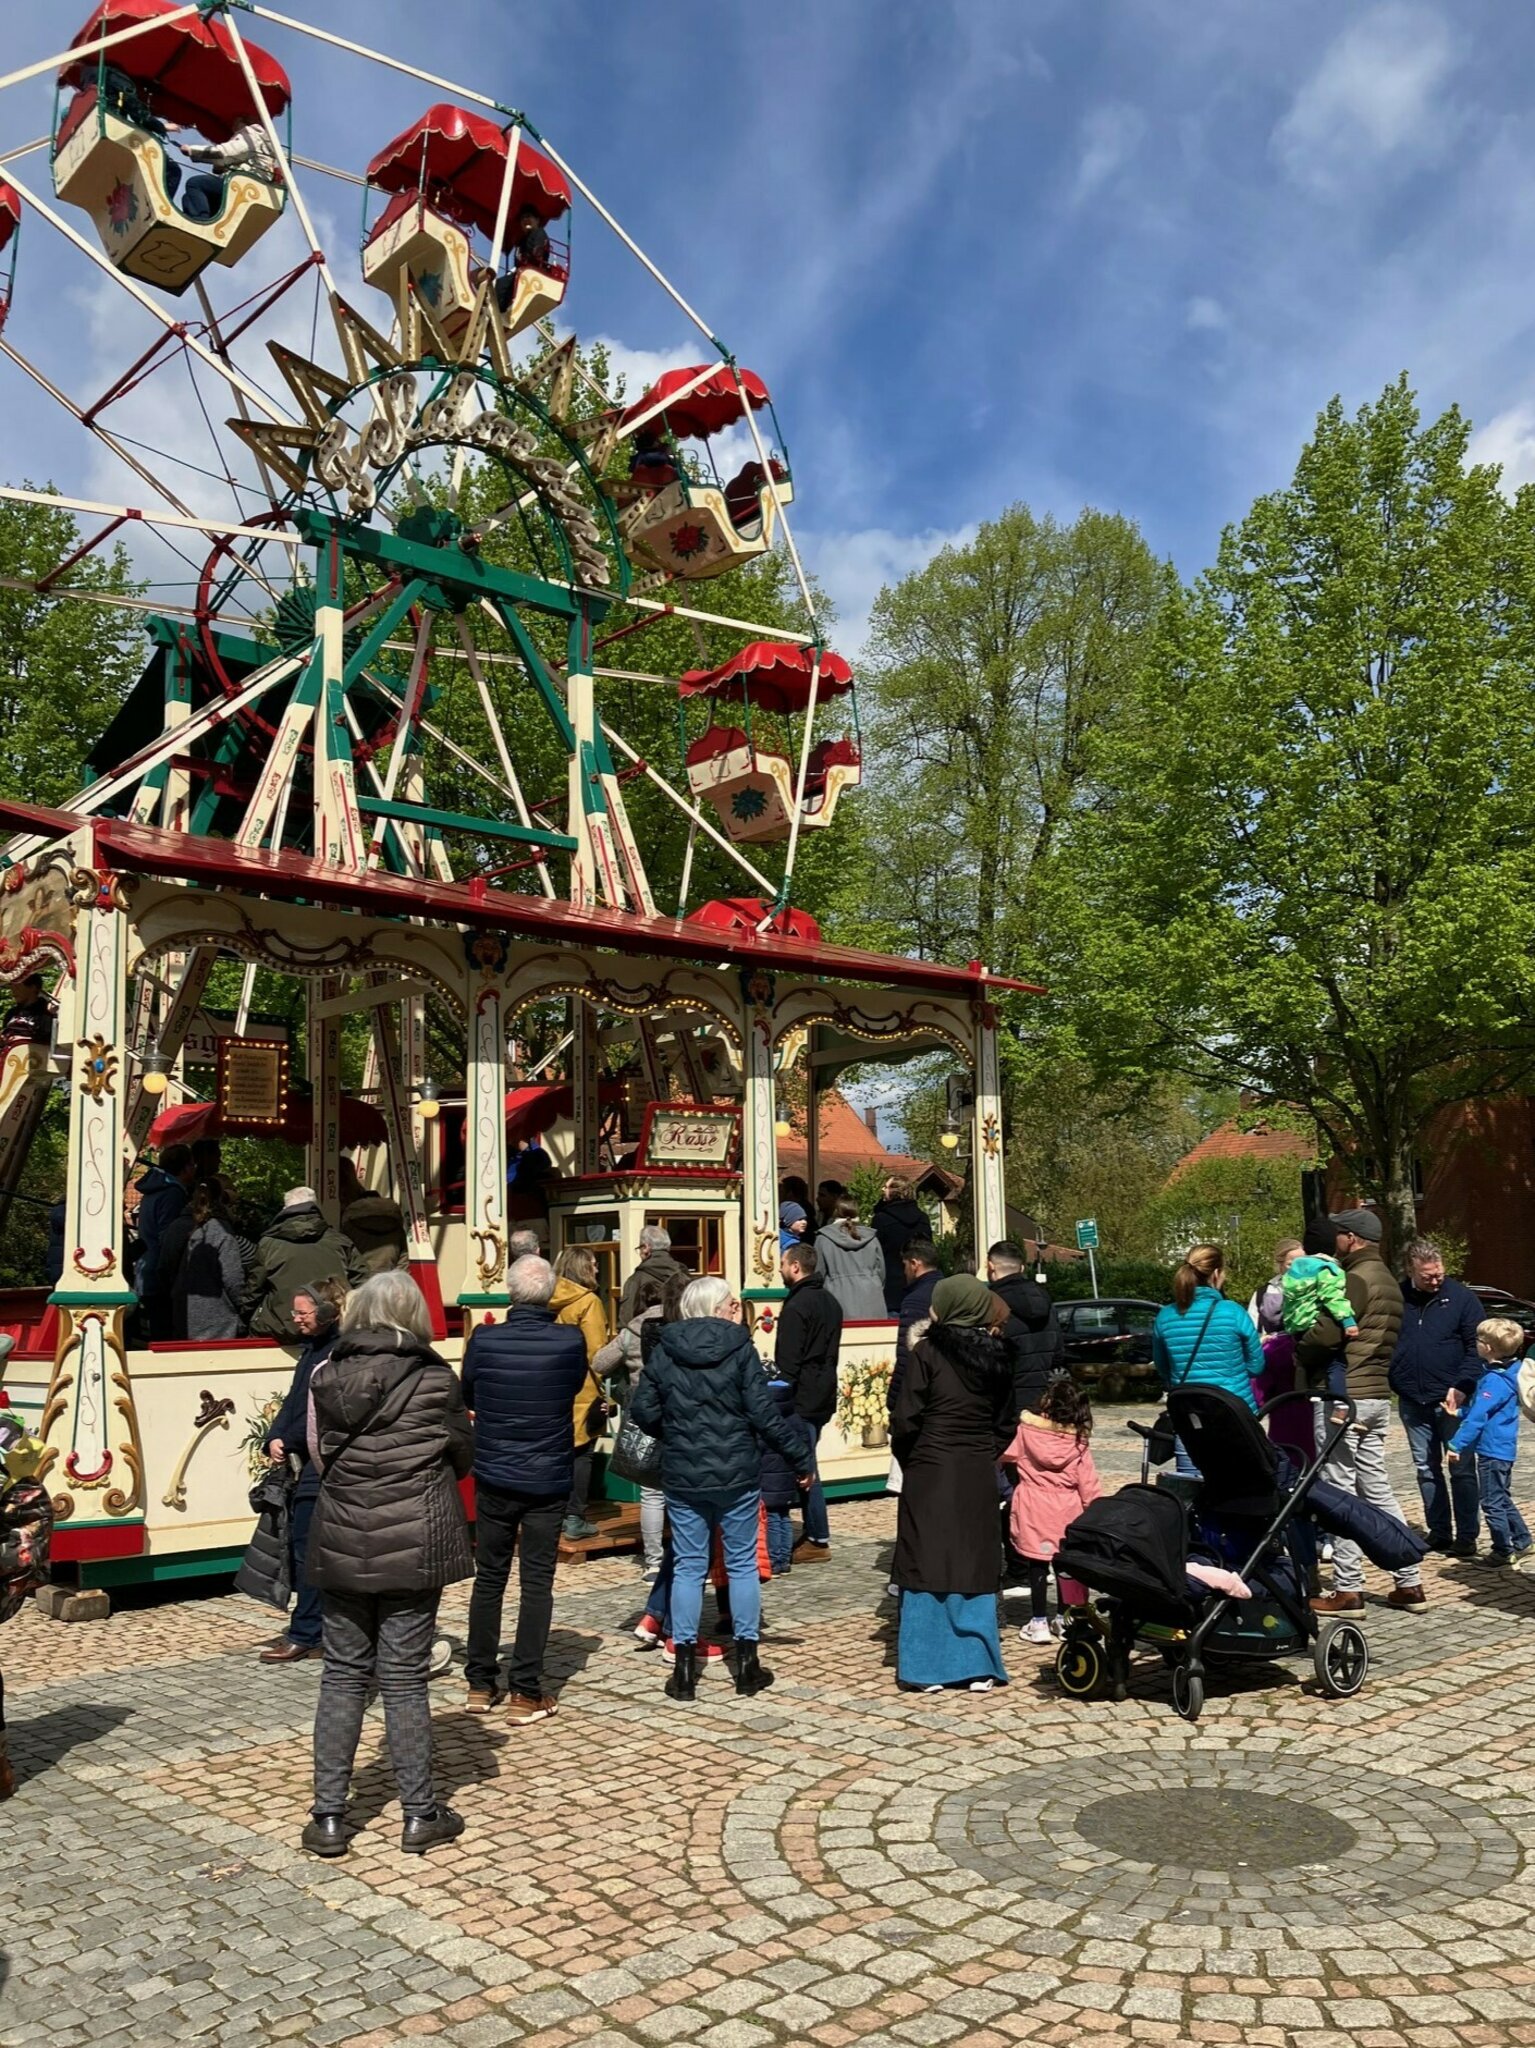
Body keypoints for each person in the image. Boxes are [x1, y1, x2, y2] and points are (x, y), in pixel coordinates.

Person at [303, 1271, 473, 1858]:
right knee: (403, 1678)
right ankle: (419, 1814)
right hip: (415, 1538)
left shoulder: (325, 1375)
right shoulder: (434, 1376)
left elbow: (320, 1451)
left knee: (343, 1674)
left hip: (344, 1532)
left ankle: (327, 1817)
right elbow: (462, 1453)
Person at [629, 1276, 811, 1701]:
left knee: (690, 1567)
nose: (736, 1309)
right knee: (742, 1563)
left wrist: (675, 1429)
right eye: (730, 1303)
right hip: (736, 1471)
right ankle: (747, 1665)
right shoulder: (740, 1347)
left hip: (685, 1473)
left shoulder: (665, 1348)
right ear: (714, 1308)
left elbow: (643, 1409)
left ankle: (684, 1670)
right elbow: (764, 1414)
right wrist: (799, 1458)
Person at [460, 1255, 589, 1716]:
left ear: (511, 1293)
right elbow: (572, 1388)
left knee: (490, 1577)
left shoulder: (485, 1339)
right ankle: (525, 1689)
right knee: (537, 1581)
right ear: (549, 1293)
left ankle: (479, 1682)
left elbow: (468, 1393)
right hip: (547, 1474)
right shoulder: (568, 1340)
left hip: (495, 1470)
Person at [890, 1274, 1015, 1692]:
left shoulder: (928, 1352)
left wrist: (912, 1459)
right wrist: (985, 1451)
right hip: (976, 1465)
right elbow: (1006, 1420)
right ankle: (977, 1662)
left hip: (930, 1463)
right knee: (972, 1557)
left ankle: (927, 1667)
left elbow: (906, 1417)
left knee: (927, 1557)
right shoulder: (997, 1355)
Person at [1311, 1208, 1422, 1614]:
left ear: (1352, 1239)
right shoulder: (1390, 1281)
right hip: (1376, 1396)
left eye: (1338, 1234)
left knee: (1338, 1492)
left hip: (1346, 1398)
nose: (1334, 1240)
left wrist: (1301, 1340)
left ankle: (1348, 1588)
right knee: (1378, 1489)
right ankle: (1410, 1580)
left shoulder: (1354, 1278)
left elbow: (1326, 1335)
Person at [259, 1280, 346, 1665]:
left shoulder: (338, 1352)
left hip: (325, 1463)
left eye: (302, 1313)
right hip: (306, 1457)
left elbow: (321, 1412)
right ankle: (313, 1627)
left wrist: (290, 1437)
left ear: (328, 1313)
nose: (295, 1320)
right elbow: (296, 1401)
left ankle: (307, 1630)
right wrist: (275, 1435)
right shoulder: (311, 1350)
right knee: (303, 1544)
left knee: (309, 1545)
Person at [1389, 1238, 1485, 1557]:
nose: (1435, 1280)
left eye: (1439, 1273)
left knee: (1460, 1468)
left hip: (1453, 1400)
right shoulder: (1397, 1298)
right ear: (1410, 1271)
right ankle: (1439, 1530)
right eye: (1427, 1276)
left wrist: (1462, 1385)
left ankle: (1468, 1535)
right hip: (1412, 1399)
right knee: (1426, 1468)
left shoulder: (1461, 1298)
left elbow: (1477, 1348)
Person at [1002, 1374, 1101, 1645]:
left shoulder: (1027, 1431)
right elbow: (1088, 1482)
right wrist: (1095, 1511)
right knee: (1064, 1565)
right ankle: (1062, 1617)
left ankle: (1037, 1622)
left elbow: (1006, 1454)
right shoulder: (1078, 1442)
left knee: (1036, 1564)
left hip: (1032, 1505)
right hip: (1066, 1508)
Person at [1151, 1244, 1262, 1477]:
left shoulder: (1166, 1316)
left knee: (1194, 1494)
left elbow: (1163, 1368)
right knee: (1243, 1490)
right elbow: (1257, 1365)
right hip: (1236, 1415)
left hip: (1189, 1417)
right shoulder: (1233, 1312)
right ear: (1217, 1274)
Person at [594, 1273, 668, 1573]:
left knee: (651, 1491)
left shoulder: (631, 1331)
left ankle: (653, 1561)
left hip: (642, 1410)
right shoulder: (682, 1324)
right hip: (678, 1408)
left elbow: (599, 1363)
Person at [774, 1242, 843, 1563]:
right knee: (807, 1460)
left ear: (796, 1267)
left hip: (802, 1396)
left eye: (783, 1264)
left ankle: (818, 1537)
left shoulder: (798, 1306)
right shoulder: (830, 1301)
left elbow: (787, 1361)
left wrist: (780, 1398)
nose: (780, 1269)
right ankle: (815, 1534)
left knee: (806, 1468)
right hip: (824, 1391)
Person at [1449, 1317, 1531, 1566]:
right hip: (1504, 1448)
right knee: (1502, 1496)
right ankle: (1523, 1539)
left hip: (1492, 1450)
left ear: (1488, 1348)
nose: (1476, 1343)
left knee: (1491, 1502)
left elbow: (1478, 1418)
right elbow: (1488, 1410)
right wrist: (1459, 1412)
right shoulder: (1509, 1374)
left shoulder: (1494, 1380)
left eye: (1478, 1340)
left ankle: (1502, 1549)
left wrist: (1455, 1445)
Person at [241, 1186, 368, 1342]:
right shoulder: (340, 1241)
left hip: (282, 1328)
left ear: (285, 1209)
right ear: (316, 1208)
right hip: (330, 1325)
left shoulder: (269, 1244)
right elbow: (363, 1284)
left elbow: (254, 1290)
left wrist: (244, 1318)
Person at [551, 1245, 609, 1541]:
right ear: (583, 1268)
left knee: (556, 1451)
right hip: (582, 1388)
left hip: (552, 1384)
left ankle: (555, 1513)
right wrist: (606, 1392)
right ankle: (574, 1517)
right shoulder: (588, 1302)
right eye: (594, 1264)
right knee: (582, 1454)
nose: (597, 1269)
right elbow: (596, 1353)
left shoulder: (546, 1297)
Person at [1249, 1238, 1313, 1466]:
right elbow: (1252, 1329)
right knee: (1281, 1423)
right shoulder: (1264, 1291)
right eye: (1290, 1263)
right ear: (1280, 1263)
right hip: (1275, 1369)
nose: (1296, 1268)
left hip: (1304, 1366)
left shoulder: (1314, 1287)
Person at [987, 1240, 1065, 1416]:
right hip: (1043, 1400)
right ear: (1022, 1268)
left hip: (1005, 1402)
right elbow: (1058, 1354)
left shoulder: (991, 1303)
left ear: (991, 1266)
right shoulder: (1045, 1299)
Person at [1282, 1223, 1360, 1376]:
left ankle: (1310, 1395)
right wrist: (1348, 1321)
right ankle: (1340, 1398)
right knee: (1336, 1364)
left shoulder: (1295, 1269)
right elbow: (1332, 1296)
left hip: (1296, 1326)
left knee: (1305, 1366)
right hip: (1313, 1322)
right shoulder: (1326, 1269)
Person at [175, 1178, 248, 1342]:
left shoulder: (196, 1230)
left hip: (188, 1316)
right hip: (218, 1321)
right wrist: (245, 1306)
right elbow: (233, 1279)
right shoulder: (222, 1232)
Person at [135, 1143, 197, 1324]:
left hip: (146, 1268)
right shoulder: (173, 1193)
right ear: (185, 1168)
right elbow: (170, 1237)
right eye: (192, 1164)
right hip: (160, 1274)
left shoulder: (153, 1191)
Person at [176, 119, 280, 221]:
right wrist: (219, 167)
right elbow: (231, 158)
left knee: (195, 183)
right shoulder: (263, 142)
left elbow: (224, 152)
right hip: (251, 185)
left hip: (242, 185)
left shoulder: (250, 135)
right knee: (189, 197)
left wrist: (192, 150)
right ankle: (202, 219)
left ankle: (200, 220)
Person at [760, 1378, 812, 1575]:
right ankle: (785, 1558)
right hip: (787, 1476)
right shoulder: (794, 1417)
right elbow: (805, 1444)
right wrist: (804, 1469)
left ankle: (775, 1559)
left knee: (772, 1518)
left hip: (767, 1477)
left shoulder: (766, 1420)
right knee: (784, 1516)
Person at [815, 1197, 888, 1323]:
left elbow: (818, 1274)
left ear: (835, 1213)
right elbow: (881, 1272)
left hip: (837, 1299)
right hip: (872, 1300)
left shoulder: (823, 1239)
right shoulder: (871, 1238)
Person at [889, 1241, 943, 1409]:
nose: (904, 1272)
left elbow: (907, 1355)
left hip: (921, 1392)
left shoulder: (915, 1301)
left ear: (914, 1264)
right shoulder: (950, 1293)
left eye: (905, 1265)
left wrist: (894, 1399)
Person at [338, 1156, 408, 1277]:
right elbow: (404, 1259)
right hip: (388, 1286)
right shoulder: (391, 1216)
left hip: (358, 1287)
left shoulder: (345, 1220)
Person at [872, 1177, 929, 1313]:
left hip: (891, 1289)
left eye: (886, 1187)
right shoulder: (923, 1218)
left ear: (894, 1192)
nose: (883, 1190)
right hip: (919, 1285)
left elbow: (876, 1254)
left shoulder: (881, 1219)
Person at [619, 1223, 692, 1323]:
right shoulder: (684, 1275)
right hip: (681, 1334)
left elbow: (626, 1320)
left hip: (647, 1335)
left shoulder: (637, 1279)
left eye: (640, 1248)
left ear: (646, 1248)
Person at [0, 972, 55, 1046]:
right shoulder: (11, 1013)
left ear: (33, 987)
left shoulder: (46, 1013)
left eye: (17, 986)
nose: (13, 991)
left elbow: (47, 1043)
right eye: (11, 987)